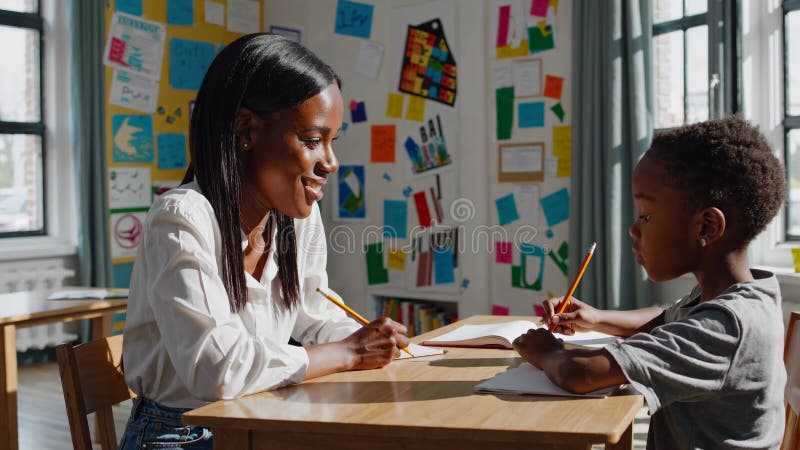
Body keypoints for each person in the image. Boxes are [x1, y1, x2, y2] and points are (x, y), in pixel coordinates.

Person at [118, 33, 409, 449]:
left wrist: (375, 343)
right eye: (313, 140)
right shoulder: (181, 218)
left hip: (260, 416)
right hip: (180, 434)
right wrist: (348, 353)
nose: (331, 162)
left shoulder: (295, 218)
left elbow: (315, 317)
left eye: (332, 142)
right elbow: (216, 370)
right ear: (246, 130)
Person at [513, 116, 787, 449]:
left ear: (707, 227)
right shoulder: (739, 295)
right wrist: (597, 318)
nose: (633, 229)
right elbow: (666, 318)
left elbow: (582, 374)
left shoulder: (727, 327)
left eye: (646, 215)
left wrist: (549, 352)